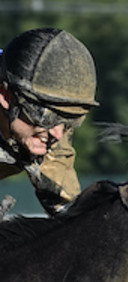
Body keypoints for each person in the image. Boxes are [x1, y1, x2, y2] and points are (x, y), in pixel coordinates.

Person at [0, 27, 98, 215]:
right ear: (5, 96)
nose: (57, 134)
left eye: (69, 120)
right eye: (48, 117)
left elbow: (70, 215)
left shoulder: (47, 131)